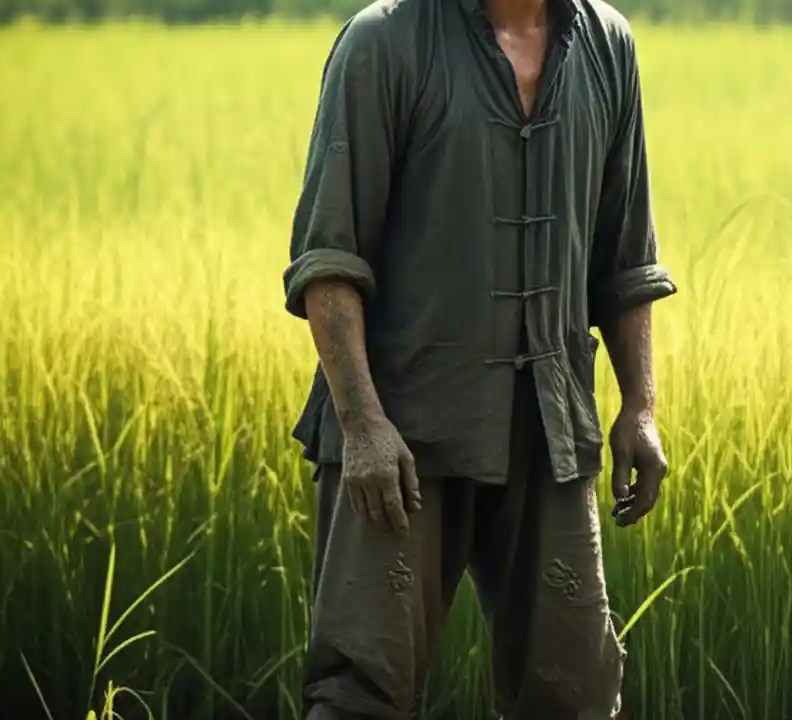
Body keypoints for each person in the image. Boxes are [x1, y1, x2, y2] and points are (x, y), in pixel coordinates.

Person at [282, 0, 677, 716]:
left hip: (549, 430)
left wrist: (639, 406)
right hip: (400, 433)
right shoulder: (385, 42)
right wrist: (364, 425)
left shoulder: (607, 46)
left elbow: (624, 257)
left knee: (578, 695)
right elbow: (328, 258)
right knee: (358, 696)